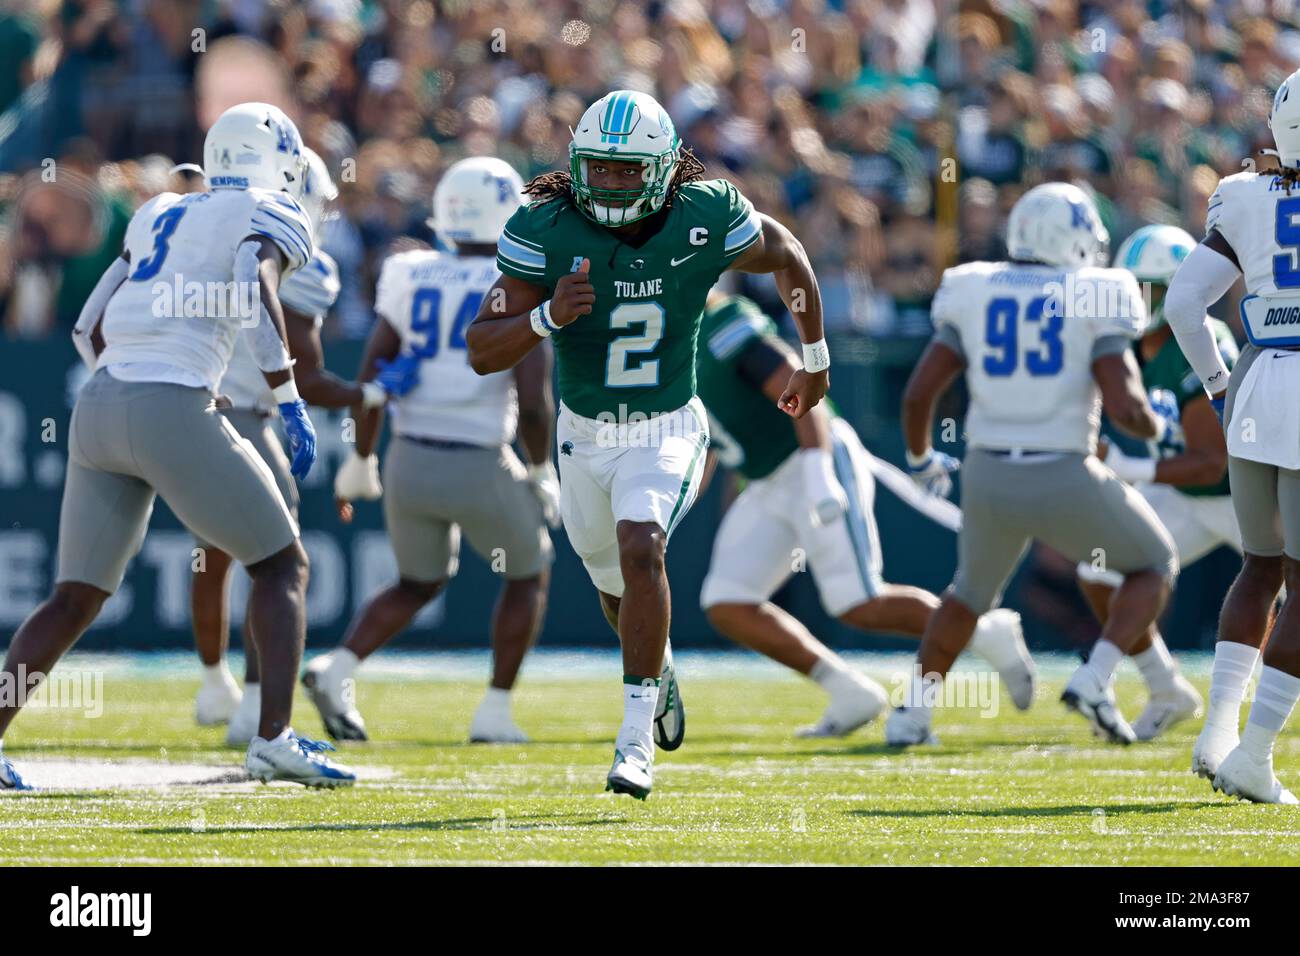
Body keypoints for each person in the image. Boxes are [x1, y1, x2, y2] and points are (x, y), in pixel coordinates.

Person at [466, 90, 831, 799]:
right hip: (583, 436)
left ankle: (633, 743)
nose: (607, 184)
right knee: (615, 588)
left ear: (666, 170)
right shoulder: (545, 223)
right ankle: (656, 669)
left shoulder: (705, 214)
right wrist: (545, 315)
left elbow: (786, 253)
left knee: (643, 546)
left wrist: (814, 357)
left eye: (626, 172)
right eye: (597, 169)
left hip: (666, 426)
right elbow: (482, 350)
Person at [0, 103, 353, 790]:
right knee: (282, 565)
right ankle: (273, 738)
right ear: (282, 158)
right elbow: (255, 286)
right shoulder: (273, 211)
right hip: (171, 402)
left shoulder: (160, 209)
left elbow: (88, 323)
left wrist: (132, 377)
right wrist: (287, 400)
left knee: (73, 597)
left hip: (98, 405)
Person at [895, 182, 1178, 748]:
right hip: (1063, 474)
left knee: (968, 595)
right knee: (1154, 564)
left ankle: (911, 715)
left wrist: (921, 456)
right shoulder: (1098, 291)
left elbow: (919, 393)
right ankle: (1096, 677)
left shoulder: (974, 286)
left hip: (987, 473)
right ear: (1073, 239)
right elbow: (1123, 405)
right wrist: (1159, 427)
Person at [696, 291, 1035, 737]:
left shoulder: (721, 322)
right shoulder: (670, 345)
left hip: (810, 456)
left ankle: (982, 631)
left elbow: (798, 384)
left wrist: (818, 470)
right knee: (727, 600)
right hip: (765, 481)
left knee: (859, 601)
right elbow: (703, 440)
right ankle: (850, 691)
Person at [304, 157, 558, 745]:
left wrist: (361, 458)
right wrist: (543, 469)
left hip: (409, 457)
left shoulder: (411, 271)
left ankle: (337, 666)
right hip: (479, 457)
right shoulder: (517, 280)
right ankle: (494, 712)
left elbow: (374, 370)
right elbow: (534, 398)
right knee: (527, 573)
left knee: (417, 581)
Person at [188, 147, 418, 745]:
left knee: (211, 558)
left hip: (188, 413)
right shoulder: (300, 259)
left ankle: (218, 685)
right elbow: (308, 377)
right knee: (276, 566)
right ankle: (259, 712)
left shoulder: (196, 234)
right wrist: (367, 395)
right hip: (251, 418)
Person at [1164, 67, 1300, 803]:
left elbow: (1186, 304)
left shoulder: (1244, 197)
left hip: (1255, 388)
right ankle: (1253, 755)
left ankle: (1219, 732)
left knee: (1261, 567)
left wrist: (1219, 386)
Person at [1076, 224, 1238, 741]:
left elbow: (1212, 462)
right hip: (1181, 496)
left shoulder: (1200, 344)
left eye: (1153, 290)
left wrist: (1129, 467)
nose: (1139, 300)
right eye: (1134, 287)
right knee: (1099, 570)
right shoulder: (1123, 348)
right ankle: (1167, 687)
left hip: (1247, 497)